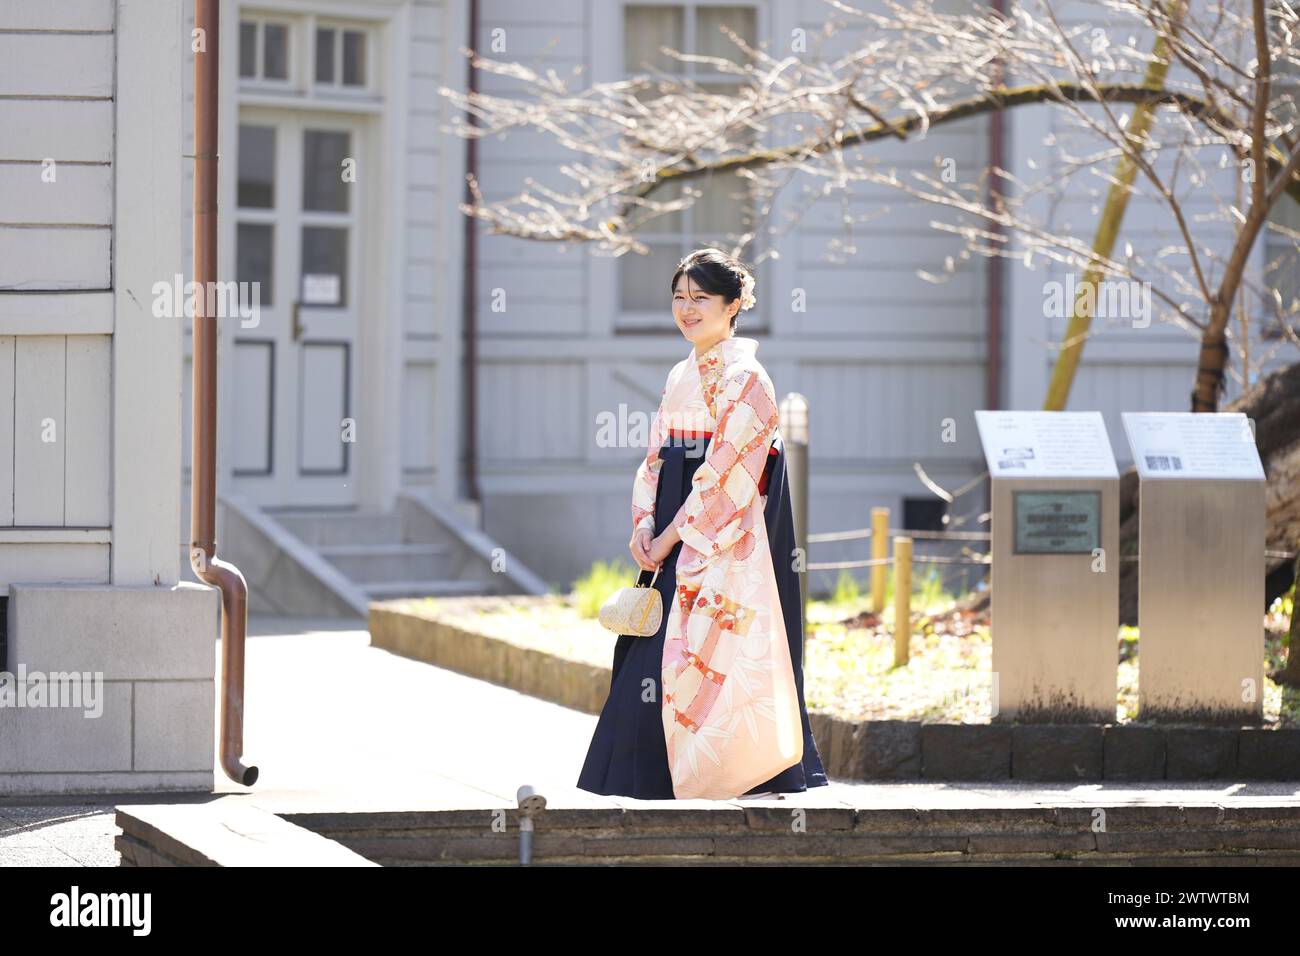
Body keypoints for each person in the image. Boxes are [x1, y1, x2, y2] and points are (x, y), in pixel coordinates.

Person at [577, 247, 829, 800]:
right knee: (654, 647)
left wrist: (669, 537)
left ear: (733, 304)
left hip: (723, 537)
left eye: (701, 299)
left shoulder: (748, 378)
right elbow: (656, 459)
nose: (687, 310)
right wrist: (643, 524)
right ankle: (653, 778)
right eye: (679, 298)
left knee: (714, 647)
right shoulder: (680, 373)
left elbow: (726, 475)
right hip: (674, 524)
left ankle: (725, 772)